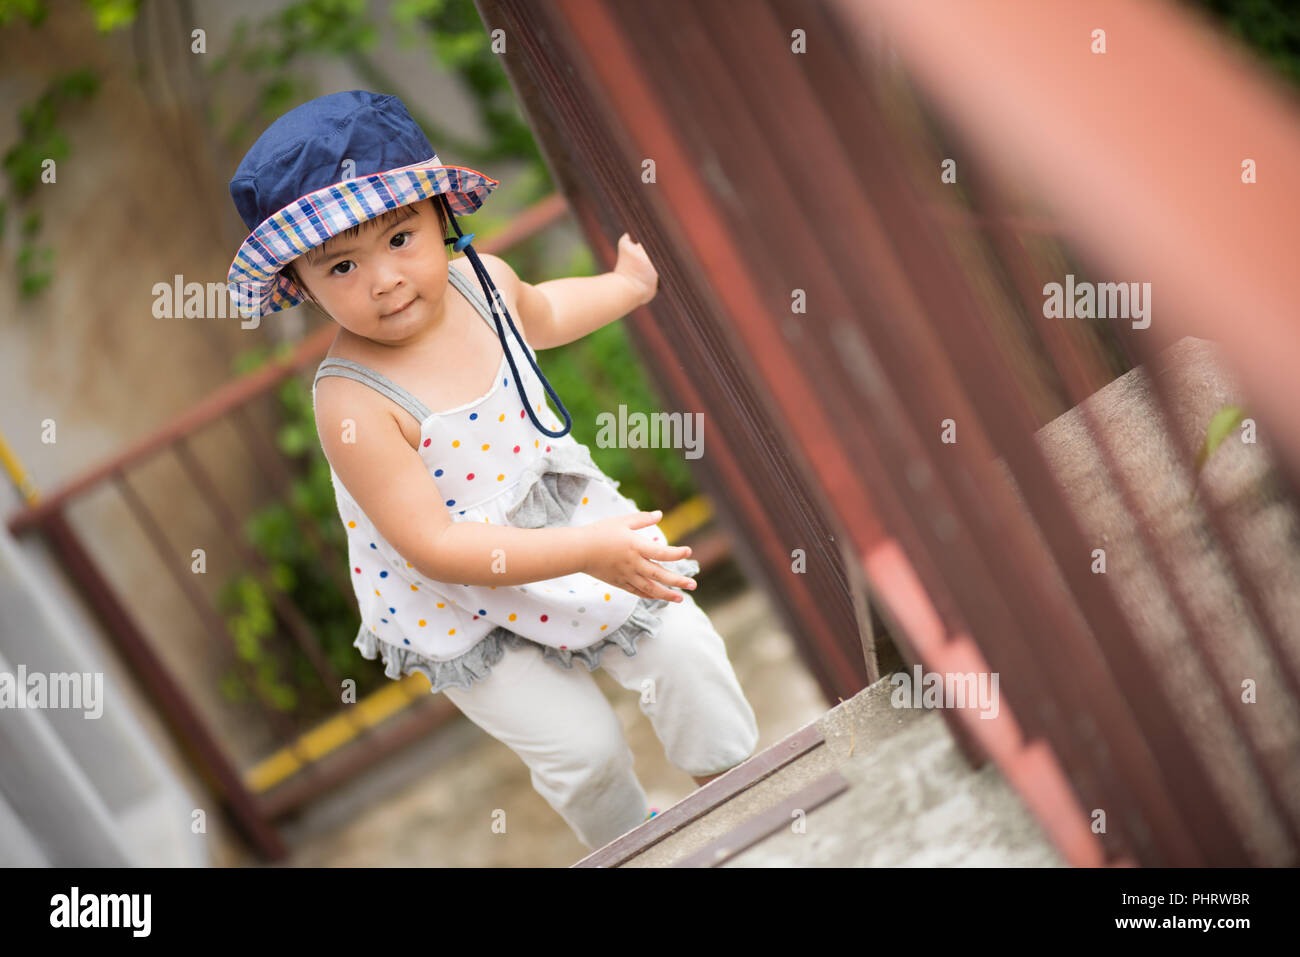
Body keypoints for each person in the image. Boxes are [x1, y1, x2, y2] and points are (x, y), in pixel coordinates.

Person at [226, 90, 758, 851]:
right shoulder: (352, 400)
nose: (383, 279)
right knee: (585, 752)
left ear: (441, 216)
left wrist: (628, 287)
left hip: (557, 522)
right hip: (460, 597)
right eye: (341, 264)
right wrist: (591, 553)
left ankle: (738, 788)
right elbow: (436, 545)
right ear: (300, 286)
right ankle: (636, 849)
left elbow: (544, 311)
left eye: (400, 237)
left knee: (681, 644)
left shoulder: (487, 285)